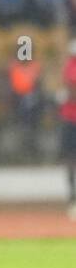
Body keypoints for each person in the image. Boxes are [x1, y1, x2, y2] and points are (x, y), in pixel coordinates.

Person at [59, 40, 76, 219]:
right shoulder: (72, 66)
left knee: (71, 159)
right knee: (71, 158)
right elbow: (72, 91)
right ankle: (72, 197)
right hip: (72, 119)